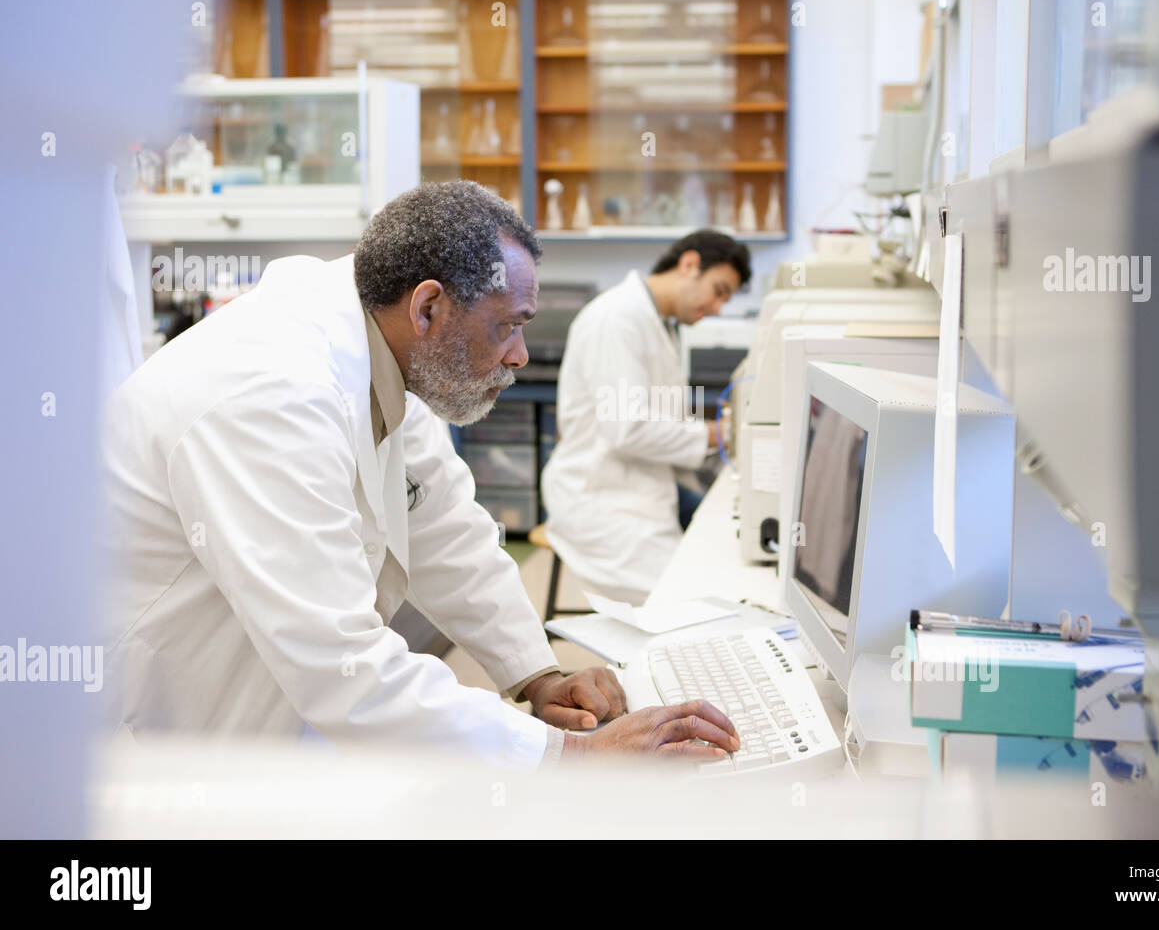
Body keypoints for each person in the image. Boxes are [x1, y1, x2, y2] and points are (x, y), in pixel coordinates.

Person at [100, 181, 738, 768]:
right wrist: (567, 754)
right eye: (508, 326)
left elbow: (444, 525)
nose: (518, 354)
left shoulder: (386, 347)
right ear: (429, 306)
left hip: (261, 715)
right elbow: (340, 665)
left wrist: (539, 673)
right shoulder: (272, 395)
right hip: (138, 731)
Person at [541, 230, 751, 604]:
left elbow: (661, 421)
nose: (718, 307)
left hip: (646, 485)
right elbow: (629, 429)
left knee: (733, 543)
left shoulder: (659, 322)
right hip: (603, 500)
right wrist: (718, 434)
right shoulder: (617, 318)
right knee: (692, 602)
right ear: (689, 265)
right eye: (719, 290)